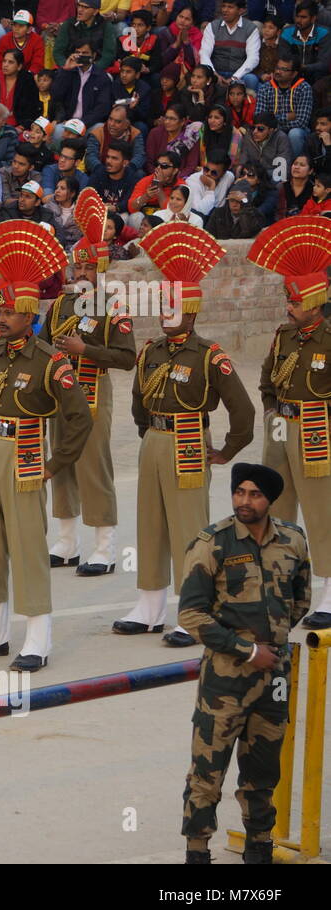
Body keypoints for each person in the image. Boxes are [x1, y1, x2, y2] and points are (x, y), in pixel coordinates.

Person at [0, 221, 92, 671]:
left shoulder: (51, 361)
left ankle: (37, 638)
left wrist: (55, 464)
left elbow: (79, 418)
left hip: (28, 454)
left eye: (9, 312)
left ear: (29, 315)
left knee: (28, 544)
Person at [114, 223, 255, 646]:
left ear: (191, 313)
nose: (165, 312)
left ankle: (193, 610)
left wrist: (228, 450)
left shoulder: (209, 354)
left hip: (190, 440)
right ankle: (149, 604)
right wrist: (147, 432)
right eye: (163, 305)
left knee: (189, 528)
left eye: (173, 307)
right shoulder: (151, 350)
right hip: (154, 441)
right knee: (150, 524)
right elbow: (139, 398)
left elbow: (243, 410)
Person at [179, 462, 310, 864]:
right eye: (239, 493)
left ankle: (259, 846)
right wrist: (249, 649)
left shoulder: (292, 540)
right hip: (226, 681)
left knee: (263, 771)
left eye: (254, 494)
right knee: (207, 772)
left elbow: (301, 598)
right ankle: (198, 850)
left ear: (269, 500)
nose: (244, 501)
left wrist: (273, 642)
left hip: (274, 679)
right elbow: (191, 615)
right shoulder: (213, 543)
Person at [40, 189, 137, 576]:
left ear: (100, 271)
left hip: (94, 392)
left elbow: (128, 359)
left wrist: (86, 350)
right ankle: (66, 542)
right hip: (60, 394)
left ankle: (105, 547)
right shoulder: (61, 304)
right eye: (75, 269)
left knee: (93, 465)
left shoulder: (113, 306)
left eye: (86, 270)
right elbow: (44, 345)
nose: (80, 275)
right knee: (60, 463)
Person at [249, 216, 331, 630]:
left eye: (296, 302)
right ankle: (281, 588)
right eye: (289, 301)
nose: (290, 307)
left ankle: (329, 592)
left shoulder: (329, 339)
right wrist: (269, 410)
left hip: (317, 429)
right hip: (279, 428)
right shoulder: (283, 335)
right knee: (277, 509)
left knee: (321, 510)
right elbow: (266, 379)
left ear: (316, 301)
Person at [200, 0, 261, 92]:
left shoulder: (251, 29)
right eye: (224, 6)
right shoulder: (212, 26)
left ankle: (248, 106)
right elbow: (204, 53)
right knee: (200, 75)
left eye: (230, 7)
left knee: (251, 79)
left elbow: (253, 58)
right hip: (216, 72)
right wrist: (213, 73)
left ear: (241, 11)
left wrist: (235, 77)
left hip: (240, 74)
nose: (225, 10)